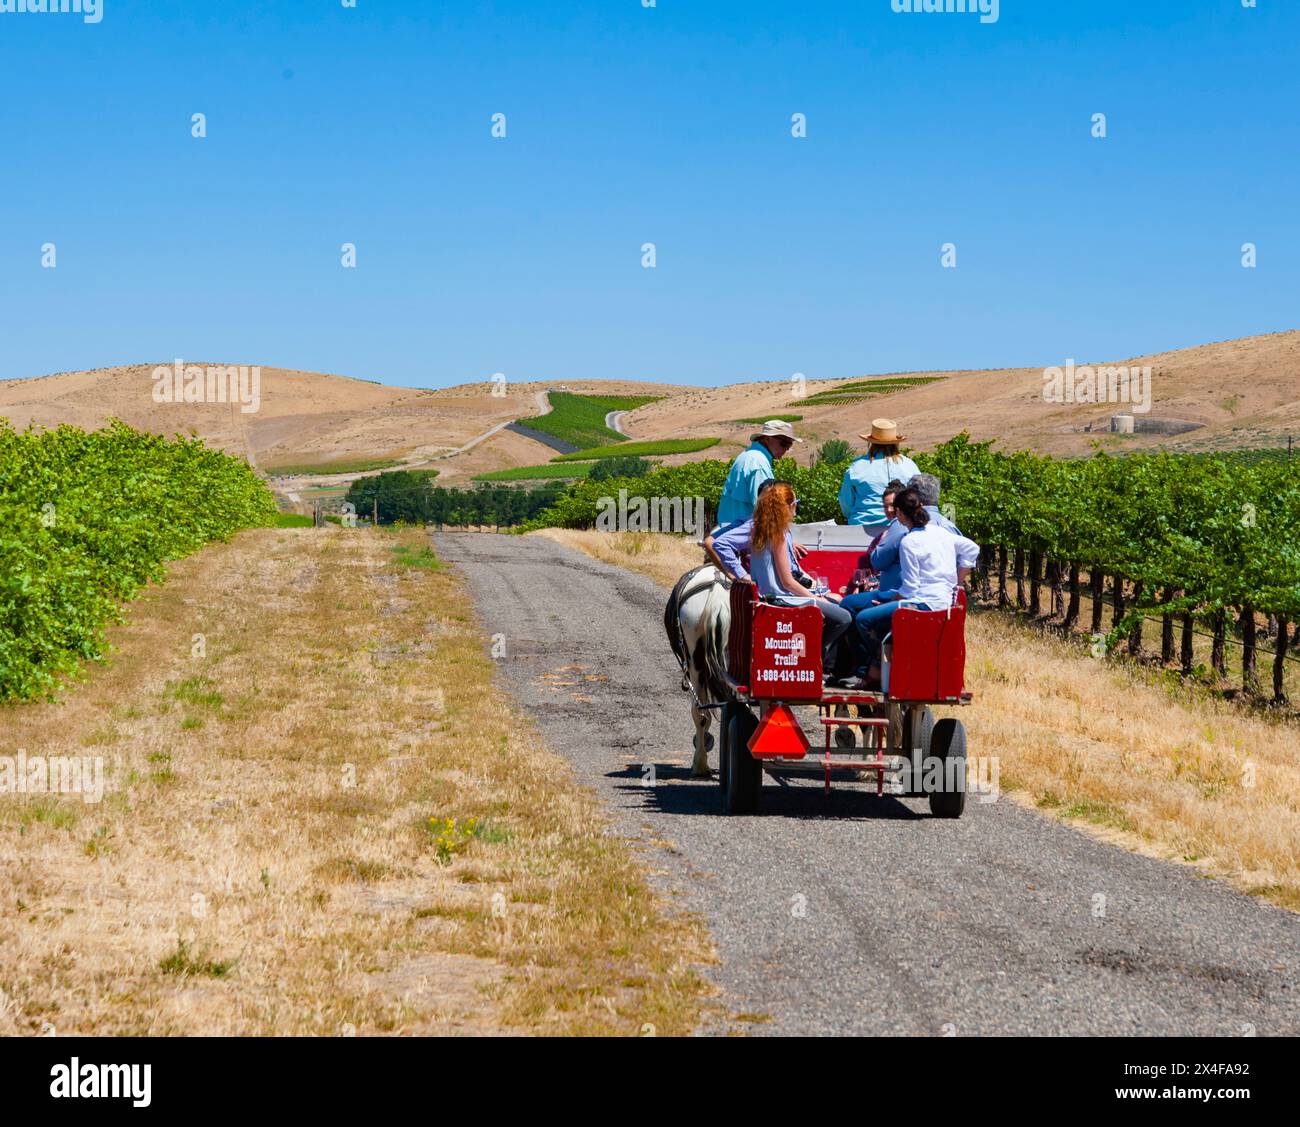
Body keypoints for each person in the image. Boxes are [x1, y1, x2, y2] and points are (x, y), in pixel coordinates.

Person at [846, 487, 980, 686]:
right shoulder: (941, 533)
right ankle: (876, 664)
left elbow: (909, 590)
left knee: (864, 619)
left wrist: (886, 601)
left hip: (921, 603)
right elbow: (972, 548)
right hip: (940, 600)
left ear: (899, 513)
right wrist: (957, 582)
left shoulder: (909, 542)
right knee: (866, 605)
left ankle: (875, 667)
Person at [749, 483, 851, 678]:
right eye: (794, 503)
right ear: (786, 507)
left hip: (767, 596)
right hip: (782, 599)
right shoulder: (778, 534)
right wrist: (817, 599)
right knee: (843, 616)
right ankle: (815, 659)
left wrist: (819, 593)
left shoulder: (758, 531)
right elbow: (787, 582)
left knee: (835, 603)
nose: (795, 509)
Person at [704, 480, 813, 586]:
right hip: (760, 584)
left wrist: (788, 546)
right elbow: (710, 542)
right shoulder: (750, 524)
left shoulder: (779, 527)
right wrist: (734, 575)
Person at [717, 420, 802, 526]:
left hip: (731, 530)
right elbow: (765, 508)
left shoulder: (749, 455)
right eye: (783, 444)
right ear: (767, 439)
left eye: (789, 446)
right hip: (743, 535)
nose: (786, 449)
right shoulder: (759, 464)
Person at [838, 418, 921, 526]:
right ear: (896, 443)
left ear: (871, 443)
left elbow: (846, 503)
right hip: (899, 527)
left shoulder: (856, 467)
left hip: (861, 527)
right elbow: (918, 497)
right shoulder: (910, 466)